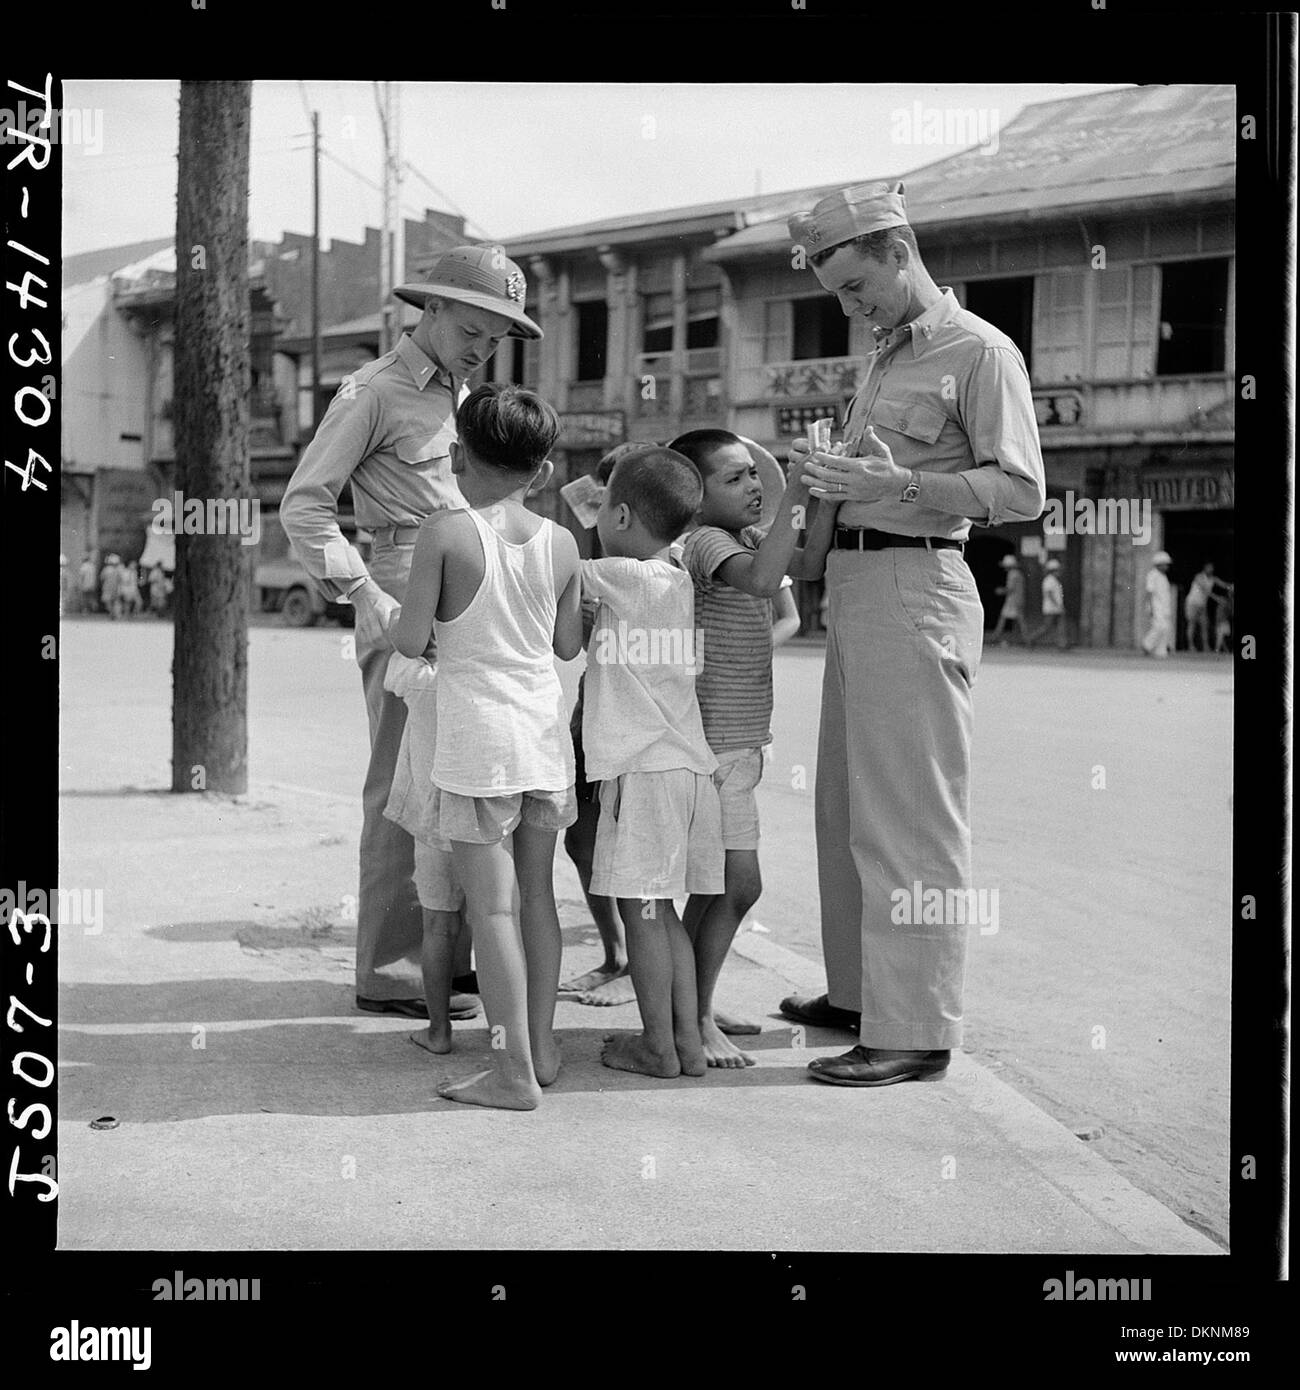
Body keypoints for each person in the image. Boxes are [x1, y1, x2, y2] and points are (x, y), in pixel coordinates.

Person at [778, 180, 1045, 1086]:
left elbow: (1020, 491)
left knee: (912, 819)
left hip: (918, 578)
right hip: (857, 582)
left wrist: (899, 488)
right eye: (837, 297)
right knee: (848, 808)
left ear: (900, 252)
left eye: (857, 288)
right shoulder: (886, 356)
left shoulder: (980, 352)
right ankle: (860, 995)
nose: (850, 309)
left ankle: (916, 1029)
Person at [280, 246, 540, 1019]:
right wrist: (361, 594)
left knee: (460, 774)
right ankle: (389, 967)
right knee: (400, 779)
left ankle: (446, 959)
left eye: (493, 339)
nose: (479, 348)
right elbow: (304, 505)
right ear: (427, 309)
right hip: (399, 582)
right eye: (470, 329)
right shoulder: (373, 392)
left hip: (471, 583)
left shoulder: (464, 400)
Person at [392, 383, 582, 1111]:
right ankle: (544, 1047)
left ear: (459, 452)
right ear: (541, 470)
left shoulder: (446, 531)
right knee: (539, 898)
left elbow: (411, 641)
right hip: (541, 738)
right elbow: (567, 643)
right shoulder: (562, 541)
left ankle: (511, 1075)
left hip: (477, 744)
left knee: (492, 912)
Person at [671, 427, 842, 1067]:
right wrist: (794, 488)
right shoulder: (705, 543)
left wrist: (816, 497)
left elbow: (809, 563)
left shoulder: (744, 536)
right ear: (692, 494)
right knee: (735, 887)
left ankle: (692, 1005)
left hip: (739, 746)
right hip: (713, 749)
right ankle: (690, 1015)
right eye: (735, 478)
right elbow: (766, 579)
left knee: (720, 889)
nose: (753, 486)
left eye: (754, 474)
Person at [580, 446, 725, 1079]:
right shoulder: (674, 575)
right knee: (663, 913)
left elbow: (554, 561)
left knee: (642, 911)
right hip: (686, 772)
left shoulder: (625, 576)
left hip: (644, 774)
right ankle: (686, 1044)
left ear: (620, 515)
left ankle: (658, 1048)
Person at [382, 651, 479, 1053]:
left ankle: (439, 1030)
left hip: (434, 825)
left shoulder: (418, 678)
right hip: (485, 825)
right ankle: (512, 1035)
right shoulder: (487, 678)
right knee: (496, 925)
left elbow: (396, 657)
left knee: (438, 927)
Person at [1025, 558, 1067, 648]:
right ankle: (1031, 639)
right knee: (1047, 627)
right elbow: (1050, 594)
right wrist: (1058, 605)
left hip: (1055, 608)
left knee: (1060, 626)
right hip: (1052, 608)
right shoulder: (1049, 580)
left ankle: (1062, 644)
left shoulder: (1053, 580)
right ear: (1053, 571)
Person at [1184, 561, 1224, 652]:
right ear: (1205, 568)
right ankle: (1191, 646)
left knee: (1204, 625)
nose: (1211, 569)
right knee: (1192, 624)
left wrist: (1230, 587)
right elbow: (1205, 590)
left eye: (1212, 568)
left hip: (1202, 605)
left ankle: (1206, 647)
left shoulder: (1213, 579)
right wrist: (1217, 598)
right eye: (1209, 567)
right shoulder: (1199, 577)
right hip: (1192, 603)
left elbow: (1223, 585)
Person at [1142, 550, 1175, 658]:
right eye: (1165, 564)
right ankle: (1147, 644)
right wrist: (1149, 606)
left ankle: (1161, 651)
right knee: (1159, 627)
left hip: (1164, 607)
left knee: (1166, 628)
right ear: (1158, 564)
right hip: (1156, 606)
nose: (1166, 566)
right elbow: (1149, 592)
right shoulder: (1153, 575)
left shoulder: (1163, 576)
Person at [991, 553, 1024, 645]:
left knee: (1005, 619)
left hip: (1012, 600)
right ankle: (1025, 640)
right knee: (1018, 621)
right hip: (1017, 599)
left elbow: (1011, 588)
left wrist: (1001, 591)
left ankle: (994, 638)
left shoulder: (1012, 574)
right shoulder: (1018, 574)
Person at [100, 554, 124, 620]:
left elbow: (101, 578)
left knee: (109, 602)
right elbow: (120, 579)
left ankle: (112, 614)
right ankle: (115, 615)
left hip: (107, 587)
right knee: (115, 602)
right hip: (115, 587)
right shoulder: (118, 570)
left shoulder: (106, 569)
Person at [1213, 581, 1234, 653]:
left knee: (1222, 635)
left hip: (1223, 620)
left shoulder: (1229, 601)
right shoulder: (1224, 599)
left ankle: (1222, 650)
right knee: (1221, 635)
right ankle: (1218, 650)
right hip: (1220, 620)